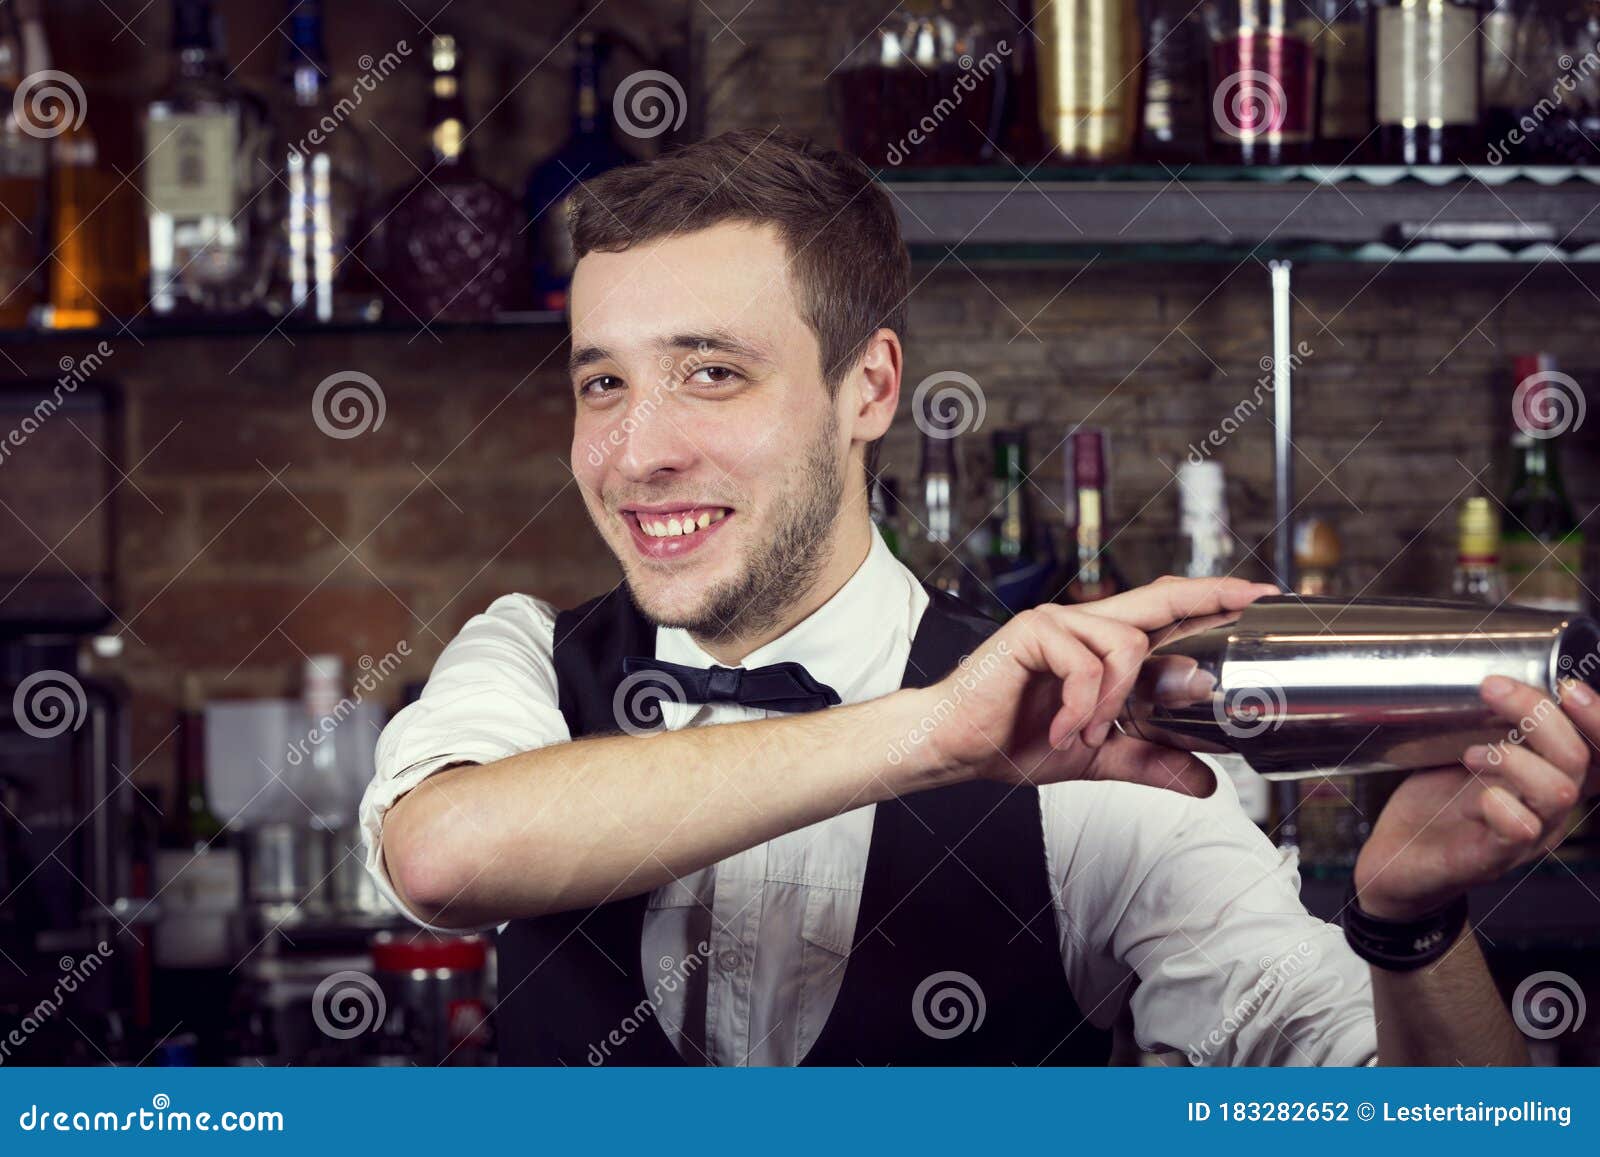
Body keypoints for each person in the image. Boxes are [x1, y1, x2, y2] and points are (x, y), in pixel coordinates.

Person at [360, 129, 1599, 1067]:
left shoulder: (1093, 752)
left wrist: (1407, 926)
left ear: (871, 387)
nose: (636, 452)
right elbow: (444, 852)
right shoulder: (523, 656)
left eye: (712, 373)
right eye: (600, 384)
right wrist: (934, 732)